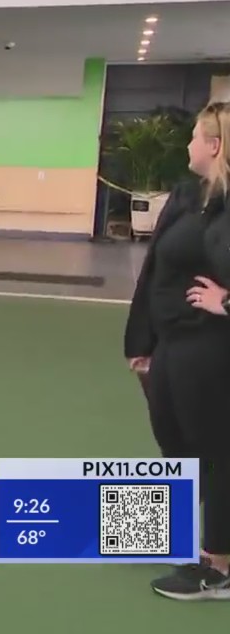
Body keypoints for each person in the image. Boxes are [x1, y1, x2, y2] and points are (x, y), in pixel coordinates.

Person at [124, 100, 230, 601]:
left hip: (213, 348)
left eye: (194, 136)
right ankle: (190, 542)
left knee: (217, 454)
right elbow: (154, 272)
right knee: (175, 446)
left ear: (214, 146)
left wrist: (226, 301)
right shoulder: (186, 197)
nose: (187, 144)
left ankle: (218, 567)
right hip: (171, 346)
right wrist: (140, 342)